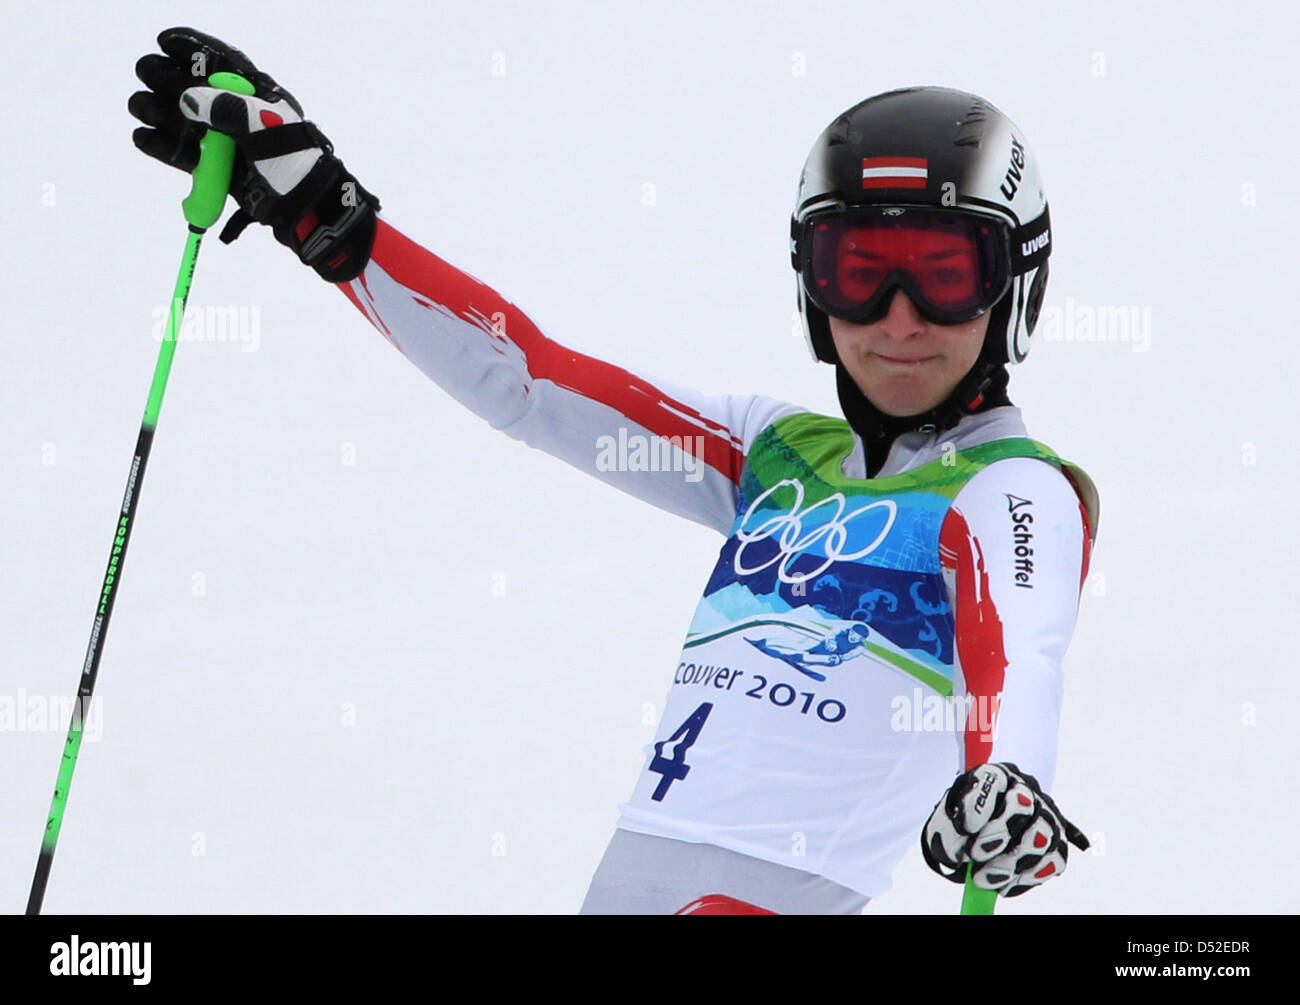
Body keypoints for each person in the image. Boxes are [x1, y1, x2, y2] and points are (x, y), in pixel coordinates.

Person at [130, 28, 1098, 915]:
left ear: (1013, 285)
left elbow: (1019, 658)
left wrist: (1008, 783)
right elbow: (532, 382)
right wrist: (329, 221)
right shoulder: (774, 453)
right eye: (856, 270)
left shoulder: (1011, 492)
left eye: (941, 273)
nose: (896, 318)